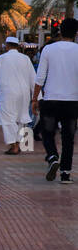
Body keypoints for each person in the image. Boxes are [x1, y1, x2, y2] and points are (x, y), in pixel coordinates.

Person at [32, 16, 78, 183]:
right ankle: (65, 174)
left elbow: (40, 78)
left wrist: (34, 99)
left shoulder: (49, 50)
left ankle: (52, 157)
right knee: (68, 138)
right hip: (72, 102)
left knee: (47, 133)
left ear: (59, 31)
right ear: (76, 33)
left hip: (51, 100)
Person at [0, 36, 36, 155]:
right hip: (24, 94)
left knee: (8, 119)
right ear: (17, 46)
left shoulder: (1, 59)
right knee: (21, 119)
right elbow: (33, 78)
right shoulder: (26, 59)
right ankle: (18, 144)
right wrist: (36, 97)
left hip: (7, 93)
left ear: (7, 46)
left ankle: (13, 145)